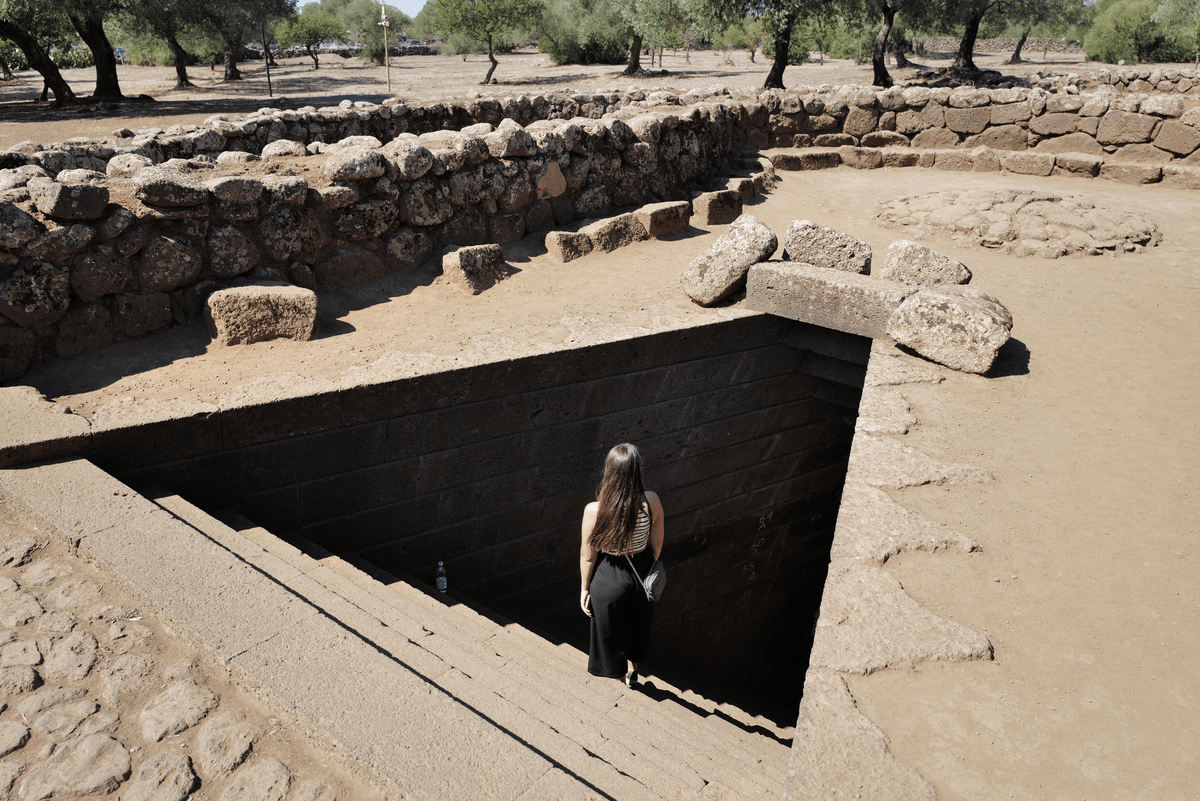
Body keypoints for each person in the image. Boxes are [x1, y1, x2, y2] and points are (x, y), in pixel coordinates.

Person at [579, 443, 665, 687]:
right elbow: (657, 542)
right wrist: (648, 565)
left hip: (610, 575)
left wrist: (584, 588)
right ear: (637, 470)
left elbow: (588, 556)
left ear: (609, 471)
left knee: (611, 632)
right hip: (642, 572)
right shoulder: (650, 501)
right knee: (637, 625)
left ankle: (617, 678)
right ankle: (633, 672)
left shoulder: (595, 510)